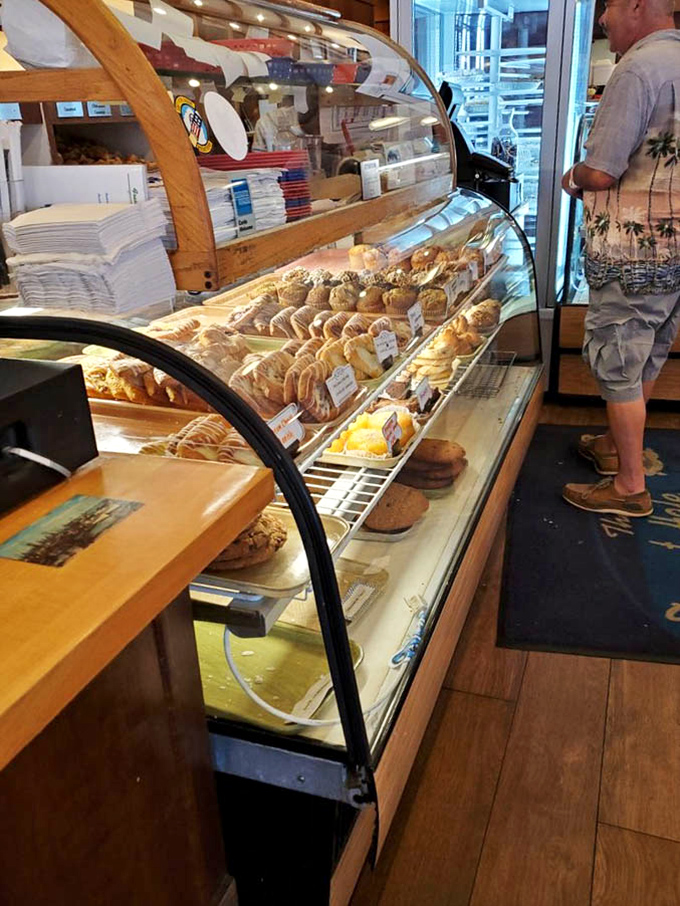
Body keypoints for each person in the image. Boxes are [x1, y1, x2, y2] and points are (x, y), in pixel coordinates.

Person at [560, 0, 680, 518]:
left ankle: (629, 487)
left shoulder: (635, 69)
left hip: (632, 253)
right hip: (673, 248)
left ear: (637, 5)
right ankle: (615, 447)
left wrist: (572, 176)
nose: (603, 18)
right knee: (645, 353)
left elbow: (603, 171)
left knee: (616, 359)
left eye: (608, 5)